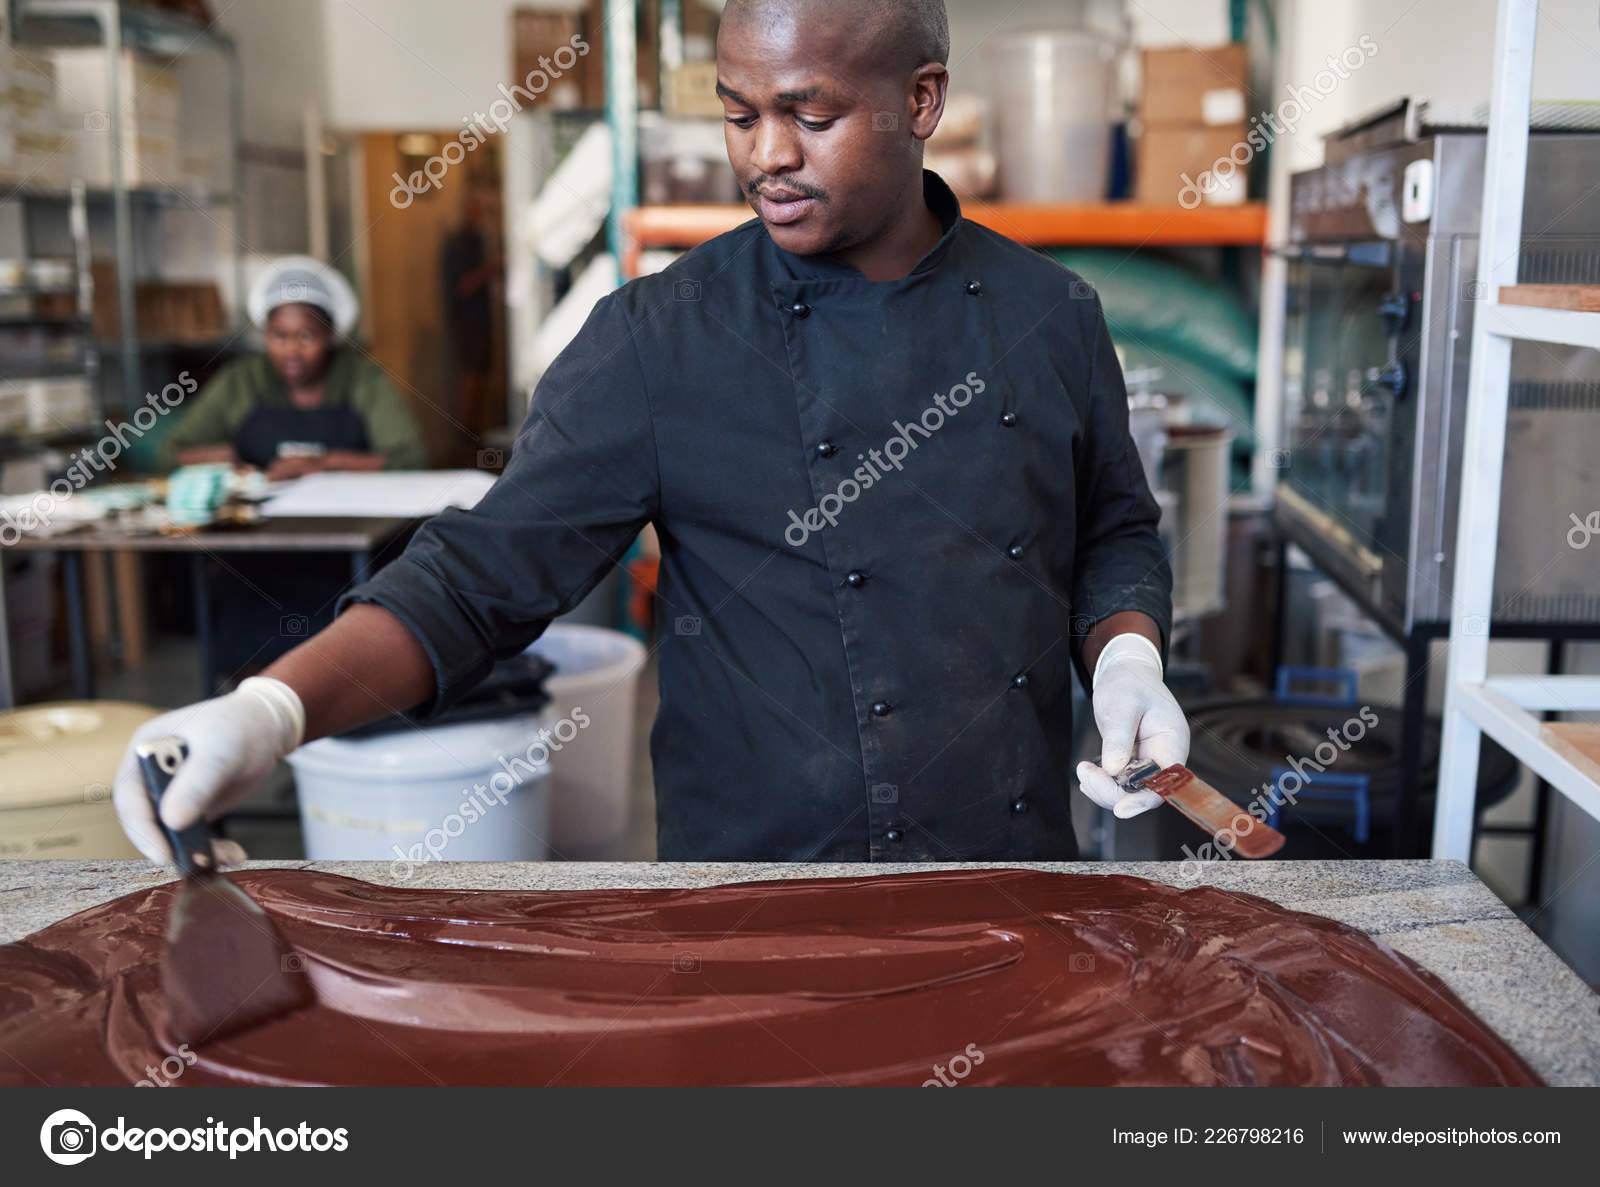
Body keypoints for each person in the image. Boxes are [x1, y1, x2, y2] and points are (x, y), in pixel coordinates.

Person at [116, 0, 1189, 867]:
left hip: (1006, 874)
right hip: (752, 887)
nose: (765, 153)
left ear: (921, 100)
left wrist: (1128, 659)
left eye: (809, 116)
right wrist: (268, 711)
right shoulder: (659, 338)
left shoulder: (1050, 313)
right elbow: (480, 574)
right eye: (737, 112)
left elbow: (1112, 528)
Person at [162, 256, 426, 476]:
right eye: (279, 335)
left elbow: (410, 457)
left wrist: (325, 464)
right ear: (266, 334)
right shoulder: (241, 380)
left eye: (306, 336)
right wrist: (220, 459)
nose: (292, 351)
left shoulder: (363, 378)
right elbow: (170, 455)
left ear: (330, 336)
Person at [439, 191, 500, 442]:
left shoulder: (477, 240)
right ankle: (466, 435)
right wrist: (491, 268)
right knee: (471, 375)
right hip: (467, 320)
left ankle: (477, 432)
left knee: (482, 374)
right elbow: (463, 285)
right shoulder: (459, 244)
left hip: (482, 317)